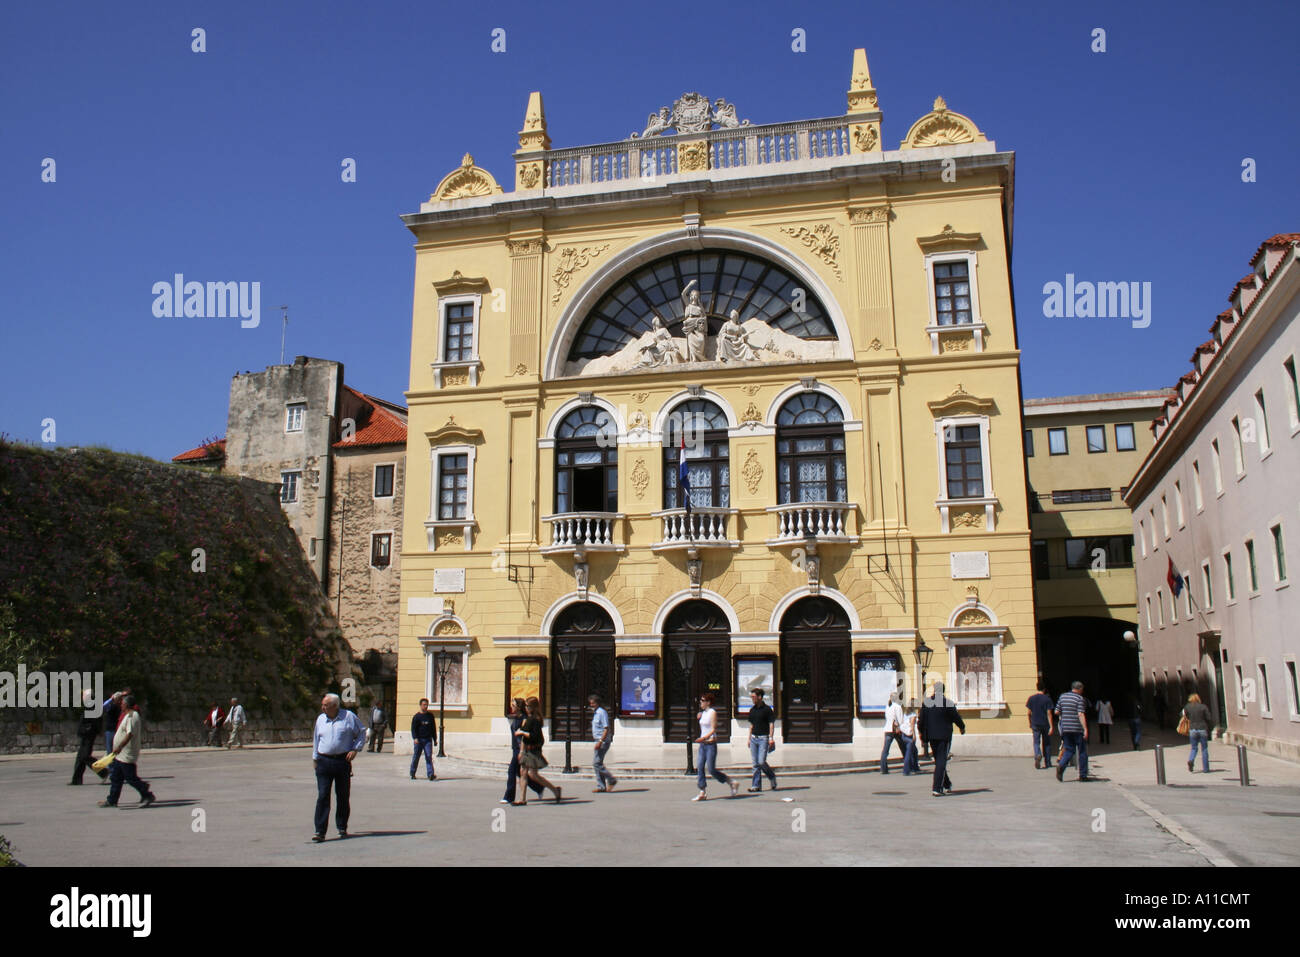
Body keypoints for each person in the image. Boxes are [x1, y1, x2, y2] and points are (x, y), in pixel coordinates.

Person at [311, 692, 366, 842]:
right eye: (322, 705)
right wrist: (315, 758)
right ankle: (319, 831)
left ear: (335, 706)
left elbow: (362, 732)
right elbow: (316, 738)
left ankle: (342, 826)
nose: (323, 708)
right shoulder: (321, 719)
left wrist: (355, 749)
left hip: (342, 761)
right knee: (323, 796)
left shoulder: (348, 717)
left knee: (342, 795)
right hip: (324, 761)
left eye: (326, 705)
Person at [97, 695, 156, 808]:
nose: (121, 705)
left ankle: (147, 794)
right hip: (121, 754)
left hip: (126, 753)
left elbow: (129, 734)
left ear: (127, 705)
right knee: (116, 777)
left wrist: (119, 747)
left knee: (130, 778)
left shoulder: (131, 716)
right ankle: (112, 800)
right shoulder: (127, 715)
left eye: (122, 703)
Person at [918, 682, 965, 796]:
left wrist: (921, 733)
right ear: (943, 690)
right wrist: (962, 727)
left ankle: (947, 784)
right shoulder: (948, 703)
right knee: (941, 761)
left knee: (939, 760)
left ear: (934, 690)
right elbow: (956, 717)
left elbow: (921, 720)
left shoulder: (927, 703)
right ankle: (937, 788)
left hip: (931, 737)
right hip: (944, 736)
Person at [513, 697, 560, 804]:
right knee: (523, 772)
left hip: (533, 751)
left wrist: (521, 733)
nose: (526, 708)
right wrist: (521, 751)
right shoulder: (529, 718)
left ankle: (555, 790)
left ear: (533, 707)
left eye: (528, 706)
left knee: (533, 775)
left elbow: (534, 736)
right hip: (527, 751)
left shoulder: (535, 720)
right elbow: (525, 737)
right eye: (525, 706)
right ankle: (522, 799)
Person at [692, 692, 738, 801]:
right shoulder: (703, 713)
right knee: (700, 767)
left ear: (708, 702)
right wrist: (699, 716)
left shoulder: (712, 712)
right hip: (703, 744)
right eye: (700, 700)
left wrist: (703, 738)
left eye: (702, 701)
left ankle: (731, 782)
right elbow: (703, 725)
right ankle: (702, 791)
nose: (700, 702)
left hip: (710, 744)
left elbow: (713, 729)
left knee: (711, 769)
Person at [502, 697, 544, 804]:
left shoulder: (524, 719)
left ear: (519, 708)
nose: (512, 707)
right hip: (515, 747)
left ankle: (509, 797)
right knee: (520, 773)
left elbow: (526, 736)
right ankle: (538, 787)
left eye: (513, 705)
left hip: (520, 748)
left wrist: (522, 751)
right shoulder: (516, 717)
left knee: (512, 770)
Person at [1055, 680, 1090, 782]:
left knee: (1069, 749)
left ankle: (1061, 766)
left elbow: (1056, 711)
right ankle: (1083, 775)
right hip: (1077, 729)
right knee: (1082, 751)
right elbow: (1080, 714)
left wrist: (1065, 713)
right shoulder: (1079, 698)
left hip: (1065, 728)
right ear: (1080, 689)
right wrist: (1085, 729)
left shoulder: (1062, 697)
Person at [70, 689, 107, 785]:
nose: (82, 698)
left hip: (88, 735)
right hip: (86, 734)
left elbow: (95, 720)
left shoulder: (92, 706)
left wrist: (92, 730)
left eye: (83, 696)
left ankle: (103, 771)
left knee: (85, 756)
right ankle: (76, 780)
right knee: (80, 758)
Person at [745, 688, 778, 792]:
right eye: (751, 697)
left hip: (764, 738)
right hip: (754, 738)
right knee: (755, 763)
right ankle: (756, 785)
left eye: (754, 697)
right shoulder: (752, 710)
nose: (752, 699)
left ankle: (772, 777)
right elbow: (751, 725)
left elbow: (771, 724)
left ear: (759, 697)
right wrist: (749, 738)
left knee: (761, 761)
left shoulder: (767, 709)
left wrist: (771, 738)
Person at [590, 694, 618, 793]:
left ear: (597, 703)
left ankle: (611, 780)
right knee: (598, 763)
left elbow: (606, 728)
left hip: (603, 741)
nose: (591, 704)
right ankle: (601, 786)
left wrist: (600, 741)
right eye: (591, 703)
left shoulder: (602, 713)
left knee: (596, 763)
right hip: (598, 740)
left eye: (593, 703)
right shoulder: (596, 713)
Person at [1026, 682, 1056, 769]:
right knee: (1047, 743)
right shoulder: (1047, 699)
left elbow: (1028, 713)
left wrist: (1030, 722)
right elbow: (1049, 713)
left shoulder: (1031, 698)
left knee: (1036, 742)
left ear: (1037, 688)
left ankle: (1038, 754)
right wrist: (1051, 726)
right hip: (1045, 724)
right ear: (1044, 689)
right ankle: (1048, 762)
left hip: (1035, 723)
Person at [1182, 693, 1212, 772]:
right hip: (1202, 728)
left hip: (1192, 729)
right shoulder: (1203, 707)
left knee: (1194, 748)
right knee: (1204, 748)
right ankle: (1206, 768)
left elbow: (1184, 715)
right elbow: (1208, 717)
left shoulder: (1187, 707)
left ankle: (1191, 760)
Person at [680, 280, 708, 363]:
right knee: (691, 341)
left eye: (696, 295)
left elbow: (704, 316)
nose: (695, 296)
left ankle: (700, 356)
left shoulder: (699, 308)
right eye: (693, 295)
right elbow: (683, 294)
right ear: (691, 296)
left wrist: (702, 319)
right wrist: (689, 285)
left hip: (699, 324)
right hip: (690, 323)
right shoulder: (688, 305)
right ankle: (694, 358)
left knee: (701, 340)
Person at [410, 699, 437, 780]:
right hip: (419, 740)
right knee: (416, 757)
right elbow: (413, 729)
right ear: (420, 705)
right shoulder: (417, 717)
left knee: (428, 756)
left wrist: (434, 739)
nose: (425, 706)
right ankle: (412, 772)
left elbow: (433, 728)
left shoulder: (430, 716)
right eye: (424, 704)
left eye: (426, 705)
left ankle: (430, 774)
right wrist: (415, 738)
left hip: (427, 740)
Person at [879, 692, 907, 773]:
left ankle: (883, 768)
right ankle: (908, 764)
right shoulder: (897, 707)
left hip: (887, 729)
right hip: (895, 730)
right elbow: (900, 719)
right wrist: (902, 728)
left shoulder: (888, 706)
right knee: (903, 747)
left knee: (885, 749)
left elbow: (887, 717)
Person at [102, 690, 127, 756]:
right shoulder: (119, 707)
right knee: (115, 749)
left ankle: (111, 765)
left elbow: (103, 705)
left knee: (110, 750)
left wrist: (111, 699)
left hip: (111, 730)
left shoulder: (113, 706)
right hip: (116, 729)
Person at [901, 699, 921, 775]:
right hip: (909, 735)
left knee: (914, 751)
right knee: (909, 753)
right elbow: (912, 725)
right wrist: (914, 735)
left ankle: (915, 767)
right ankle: (906, 770)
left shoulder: (905, 713)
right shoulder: (913, 715)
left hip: (904, 734)